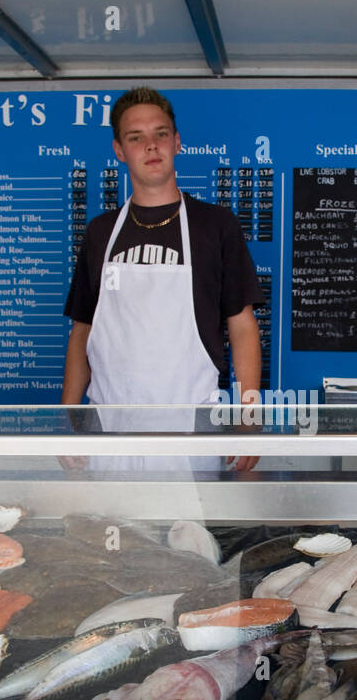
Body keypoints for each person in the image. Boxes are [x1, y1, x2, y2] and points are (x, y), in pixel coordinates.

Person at [62, 87, 261, 472]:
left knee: (189, 531)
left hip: (193, 431)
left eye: (161, 134)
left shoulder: (216, 226)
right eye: (136, 138)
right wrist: (67, 419)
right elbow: (83, 331)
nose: (151, 146)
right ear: (119, 150)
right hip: (109, 431)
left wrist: (249, 414)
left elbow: (242, 326)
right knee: (111, 529)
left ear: (177, 142)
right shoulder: (101, 232)